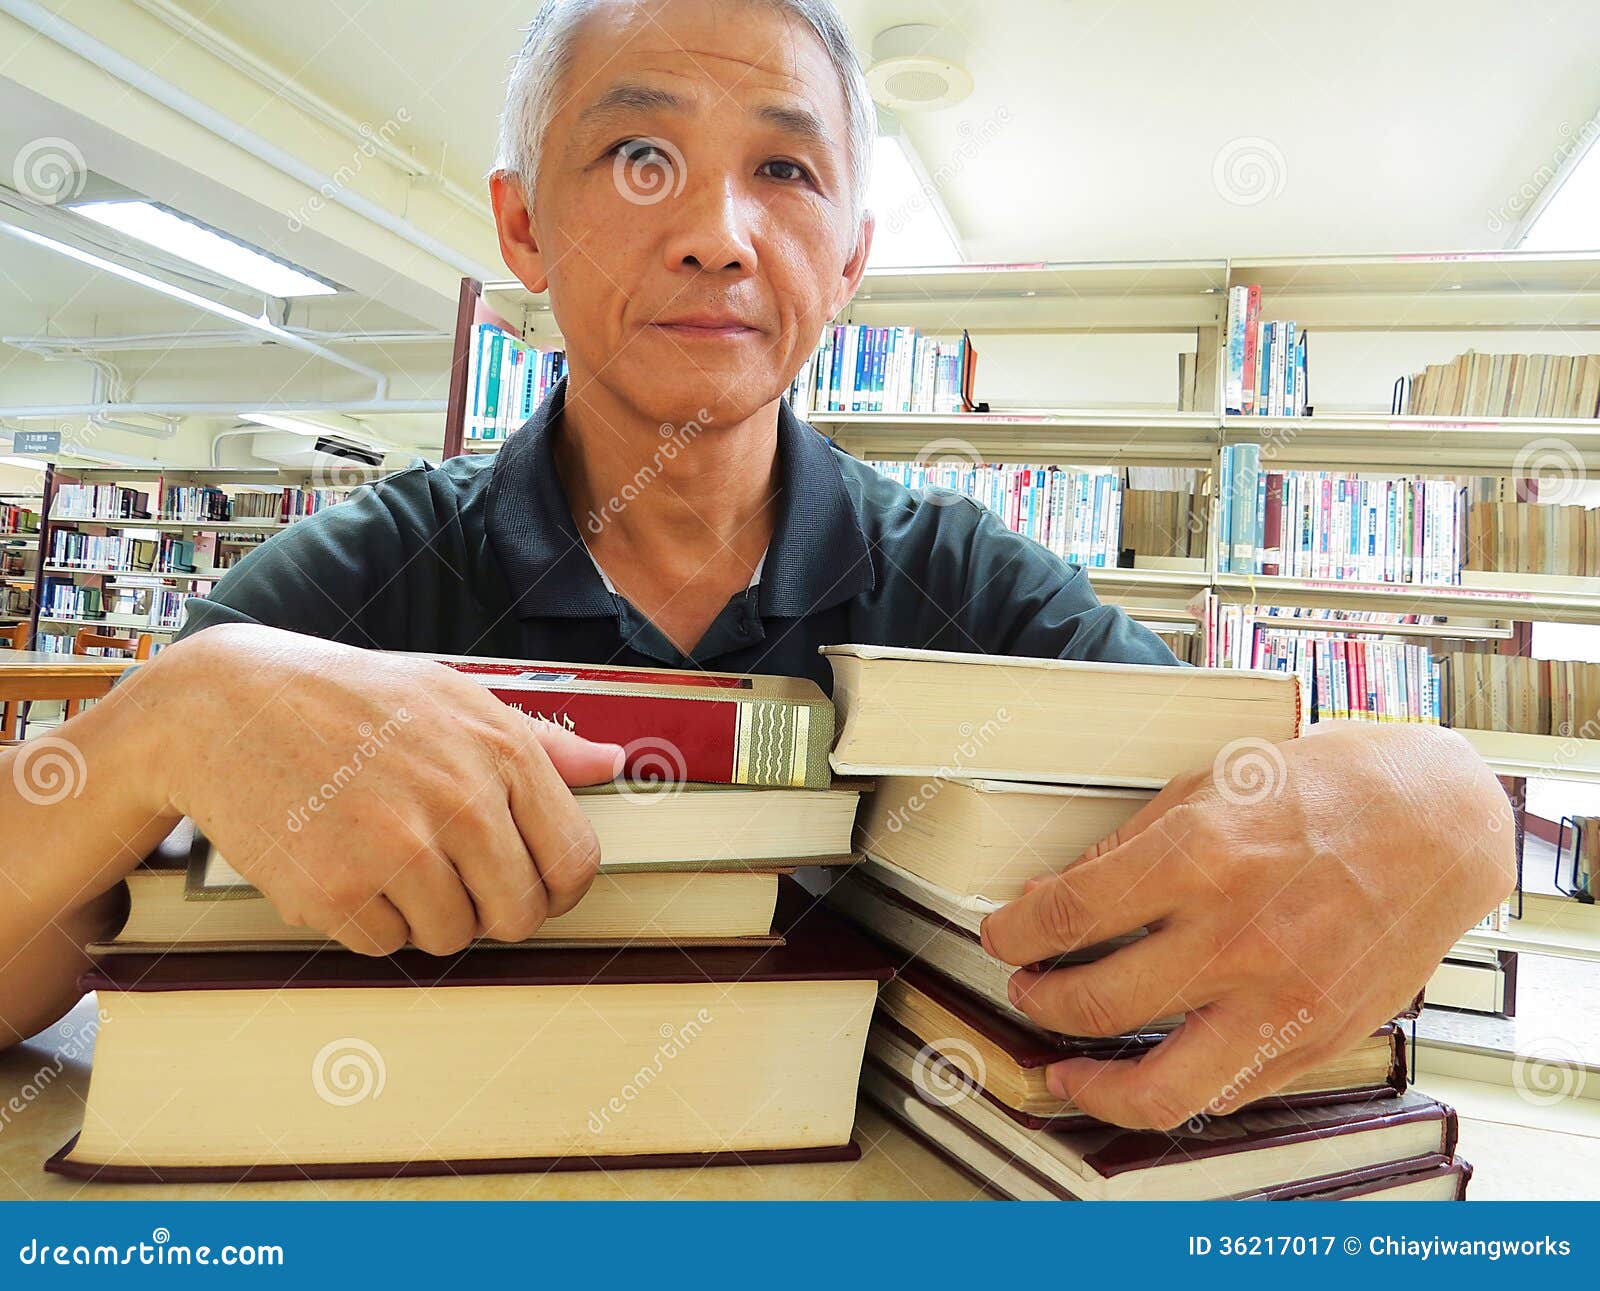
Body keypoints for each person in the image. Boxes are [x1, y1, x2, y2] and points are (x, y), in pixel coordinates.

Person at [0, 0, 1513, 1132]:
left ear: (851, 253)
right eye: (639, 154)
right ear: (524, 223)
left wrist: (1450, 808)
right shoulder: (344, 590)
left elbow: (1253, 816)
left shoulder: (972, 592)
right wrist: (159, 724)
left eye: (785, 170)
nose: (715, 234)